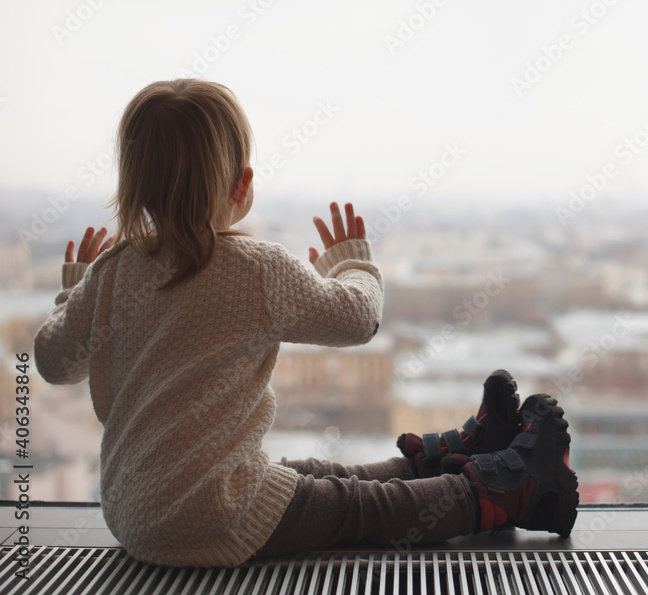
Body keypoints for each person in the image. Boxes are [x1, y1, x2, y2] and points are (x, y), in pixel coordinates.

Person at [32, 78, 578, 568]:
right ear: (242, 186)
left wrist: (74, 293)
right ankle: (518, 489)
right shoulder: (256, 268)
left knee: (317, 476)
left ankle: (458, 458)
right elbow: (359, 321)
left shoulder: (109, 274)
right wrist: (353, 261)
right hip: (213, 515)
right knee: (365, 509)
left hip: (135, 511)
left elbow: (57, 363)